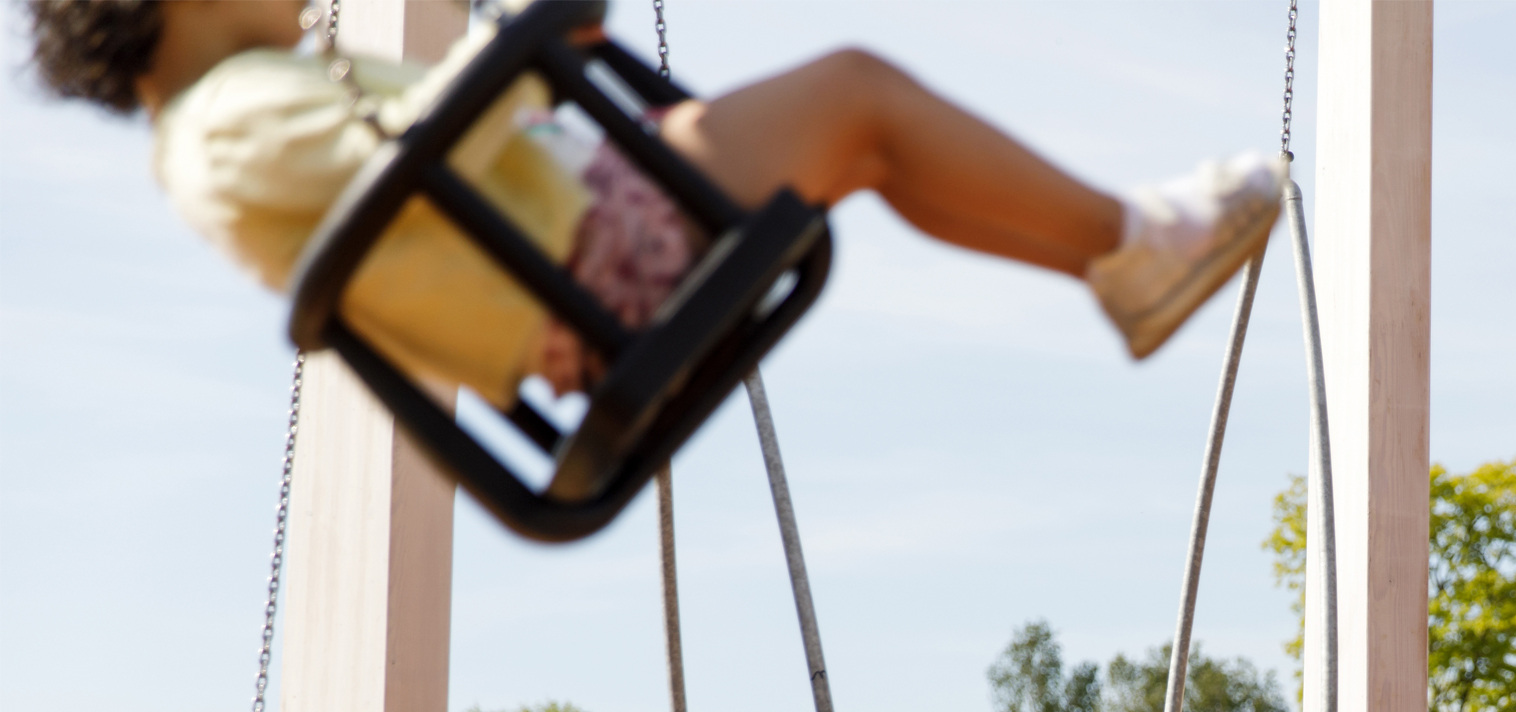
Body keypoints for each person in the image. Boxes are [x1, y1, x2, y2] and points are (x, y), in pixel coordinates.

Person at [21, 0, 1280, 405]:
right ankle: (1132, 244)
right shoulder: (228, 120)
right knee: (859, 95)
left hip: (570, 247)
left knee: (867, 133)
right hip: (589, 257)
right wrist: (524, 42)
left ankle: (1121, 259)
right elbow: (422, 147)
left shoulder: (219, 125)